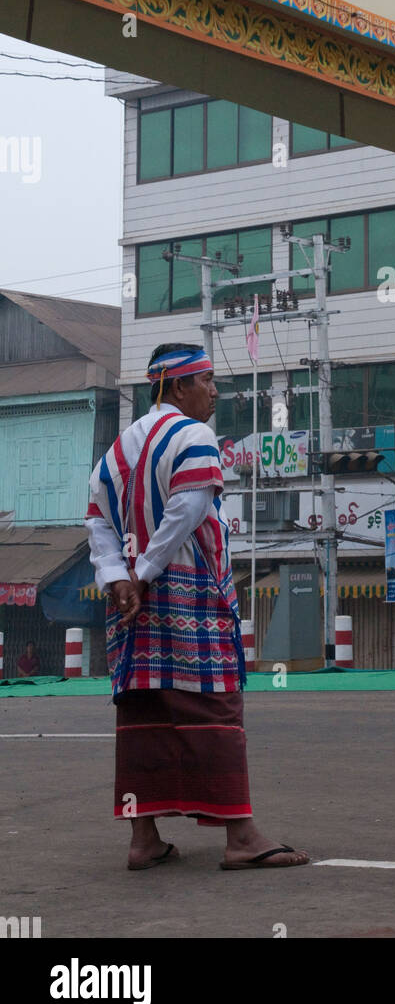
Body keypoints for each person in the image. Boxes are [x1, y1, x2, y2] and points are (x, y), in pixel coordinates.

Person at [86, 344, 309, 872]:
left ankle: (144, 837)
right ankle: (242, 836)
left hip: (130, 602)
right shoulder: (195, 436)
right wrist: (143, 573)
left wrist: (118, 576)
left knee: (144, 709)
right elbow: (188, 510)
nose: (214, 391)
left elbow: (96, 519)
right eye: (207, 381)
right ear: (179, 386)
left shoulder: (118, 448)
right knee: (214, 707)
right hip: (185, 589)